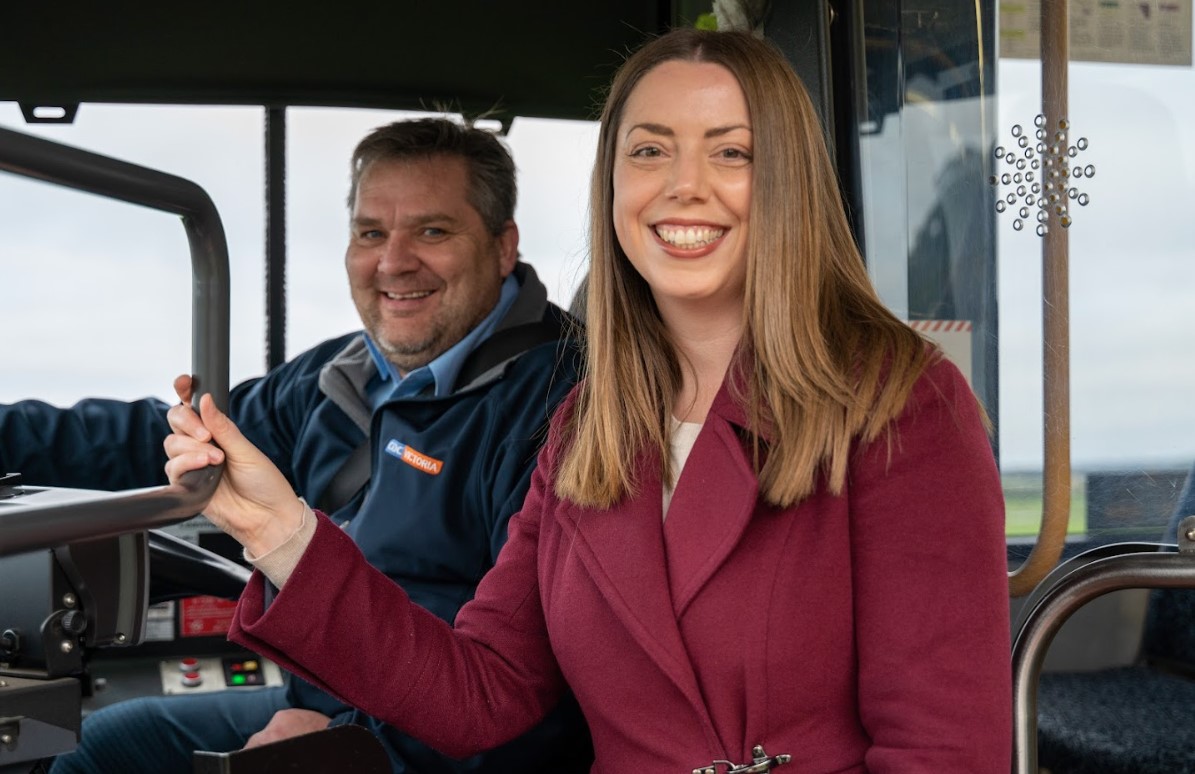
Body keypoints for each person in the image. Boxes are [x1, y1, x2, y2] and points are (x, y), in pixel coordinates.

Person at [164, 29, 1012, 773]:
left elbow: (941, 752)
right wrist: (281, 535)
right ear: (613, 189)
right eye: (649, 151)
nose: (683, 187)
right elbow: (480, 693)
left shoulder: (898, 405)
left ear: (788, 183)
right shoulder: (588, 427)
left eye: (730, 152)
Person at [4, 118, 591, 772]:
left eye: (432, 231)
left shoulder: (561, 406)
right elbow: (163, 437)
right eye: (371, 233)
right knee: (104, 747)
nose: (393, 262)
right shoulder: (339, 377)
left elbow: (525, 693)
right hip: (325, 688)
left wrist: (350, 738)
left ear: (502, 246)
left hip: (441, 732)